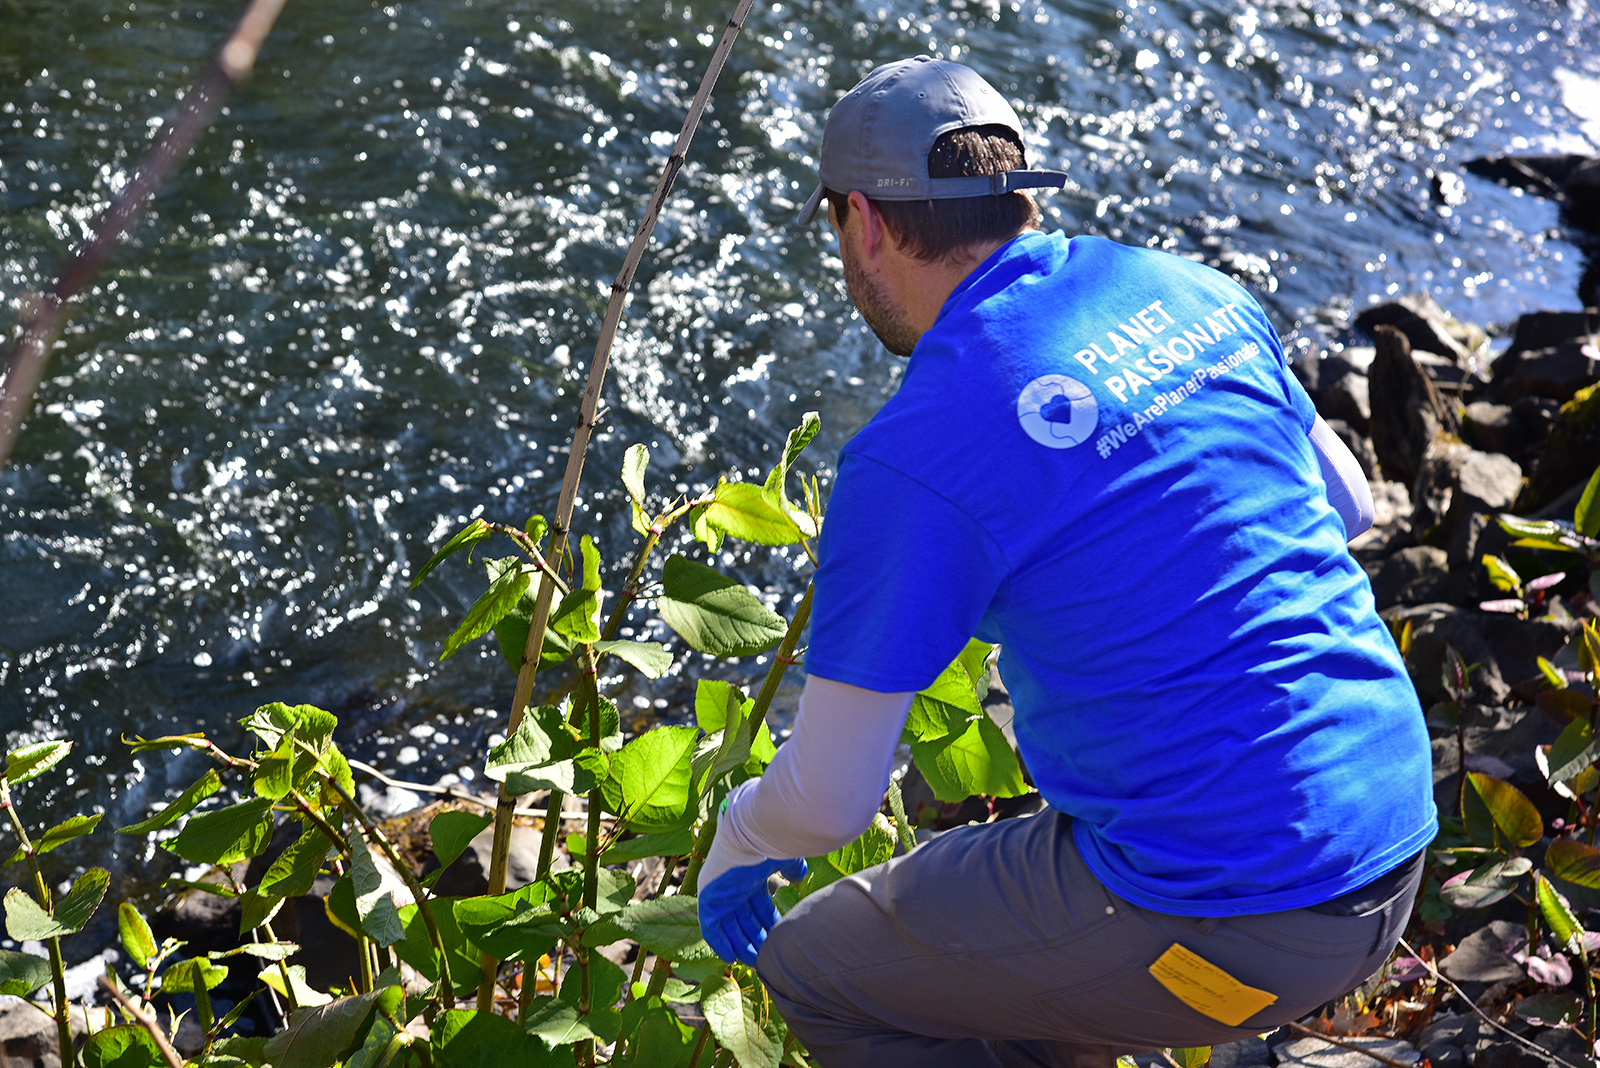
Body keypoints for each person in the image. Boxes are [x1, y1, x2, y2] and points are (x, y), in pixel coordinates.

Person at [695, 55, 1436, 1068]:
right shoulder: (1187, 288)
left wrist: (734, 843)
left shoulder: (912, 454)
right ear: (1014, 195)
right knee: (1014, 988)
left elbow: (828, 804)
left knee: (819, 970)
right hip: (1393, 826)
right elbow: (1346, 504)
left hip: (1234, 917)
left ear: (861, 220)